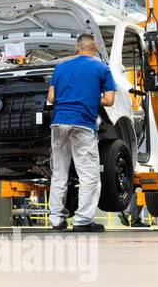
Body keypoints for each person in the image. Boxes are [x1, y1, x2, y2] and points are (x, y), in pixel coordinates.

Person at [46, 33, 116, 232]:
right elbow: (109, 100)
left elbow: (51, 97)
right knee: (89, 175)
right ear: (94, 50)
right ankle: (82, 220)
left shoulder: (60, 68)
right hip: (83, 124)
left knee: (59, 173)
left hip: (58, 123)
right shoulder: (102, 68)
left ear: (76, 49)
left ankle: (57, 220)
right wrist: (90, 98)